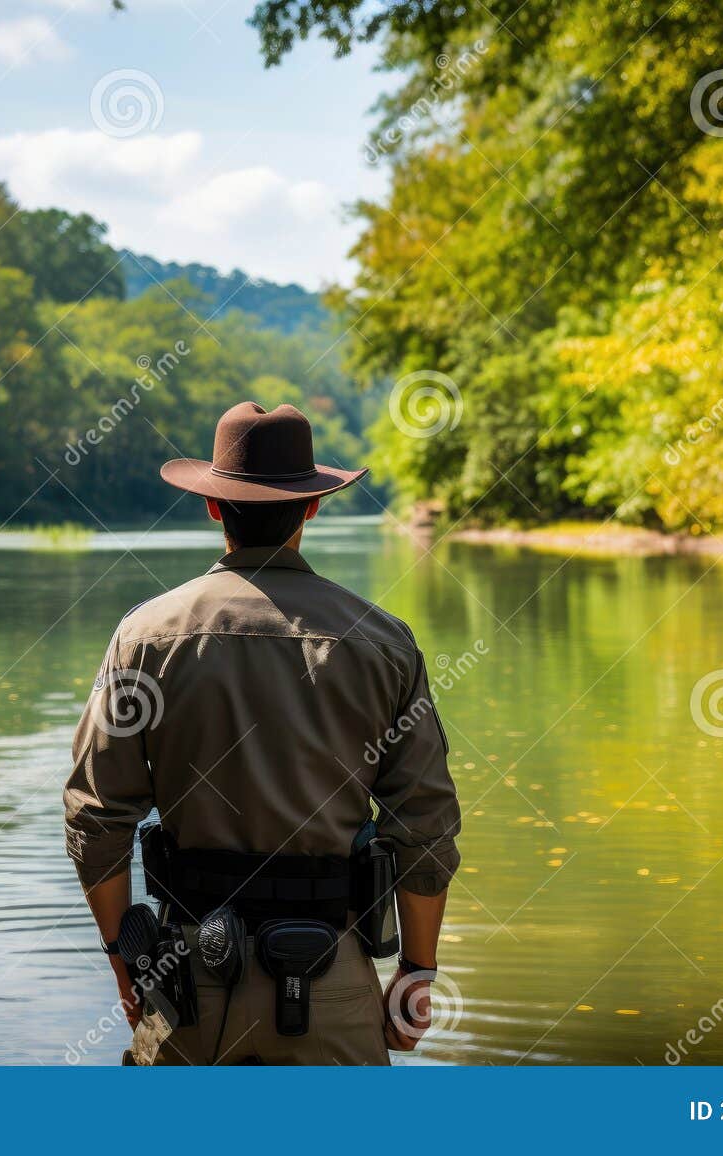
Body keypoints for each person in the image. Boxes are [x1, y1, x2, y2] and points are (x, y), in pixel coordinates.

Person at [63, 401, 462, 1064]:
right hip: (331, 986)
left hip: (185, 982)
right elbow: (424, 825)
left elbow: (96, 817)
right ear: (312, 508)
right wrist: (417, 971)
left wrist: (120, 957)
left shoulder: (144, 639)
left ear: (214, 507)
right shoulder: (384, 643)